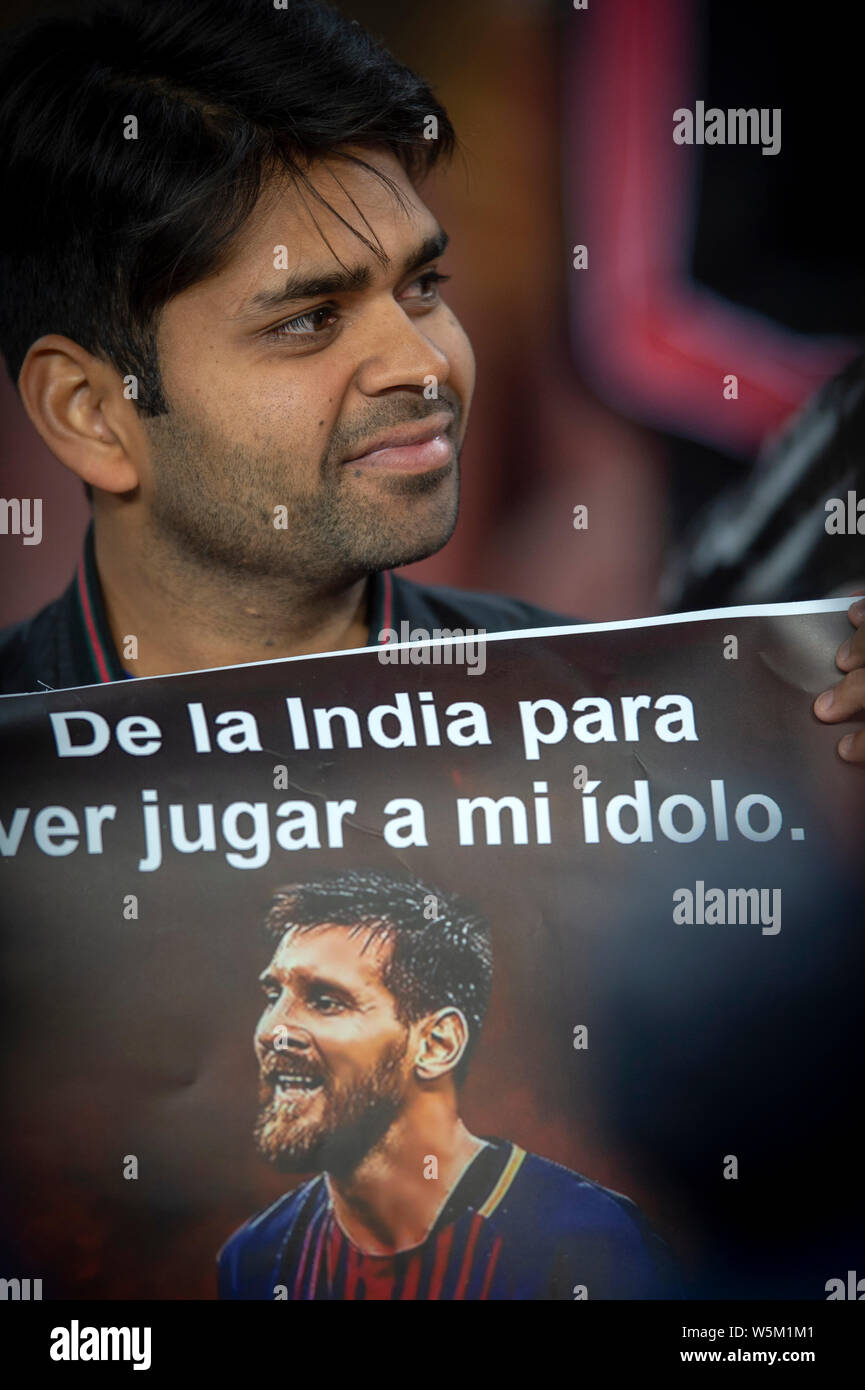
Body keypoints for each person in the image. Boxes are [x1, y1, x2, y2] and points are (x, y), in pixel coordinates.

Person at [0, 0, 862, 763]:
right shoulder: (26, 775)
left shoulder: (611, 729)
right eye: (308, 319)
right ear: (89, 415)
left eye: (421, 288)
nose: (425, 363)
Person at [218, 871, 679, 1300]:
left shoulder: (586, 1242)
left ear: (437, 1043)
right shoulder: (257, 1259)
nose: (273, 1030)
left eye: (325, 1000)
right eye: (273, 995)